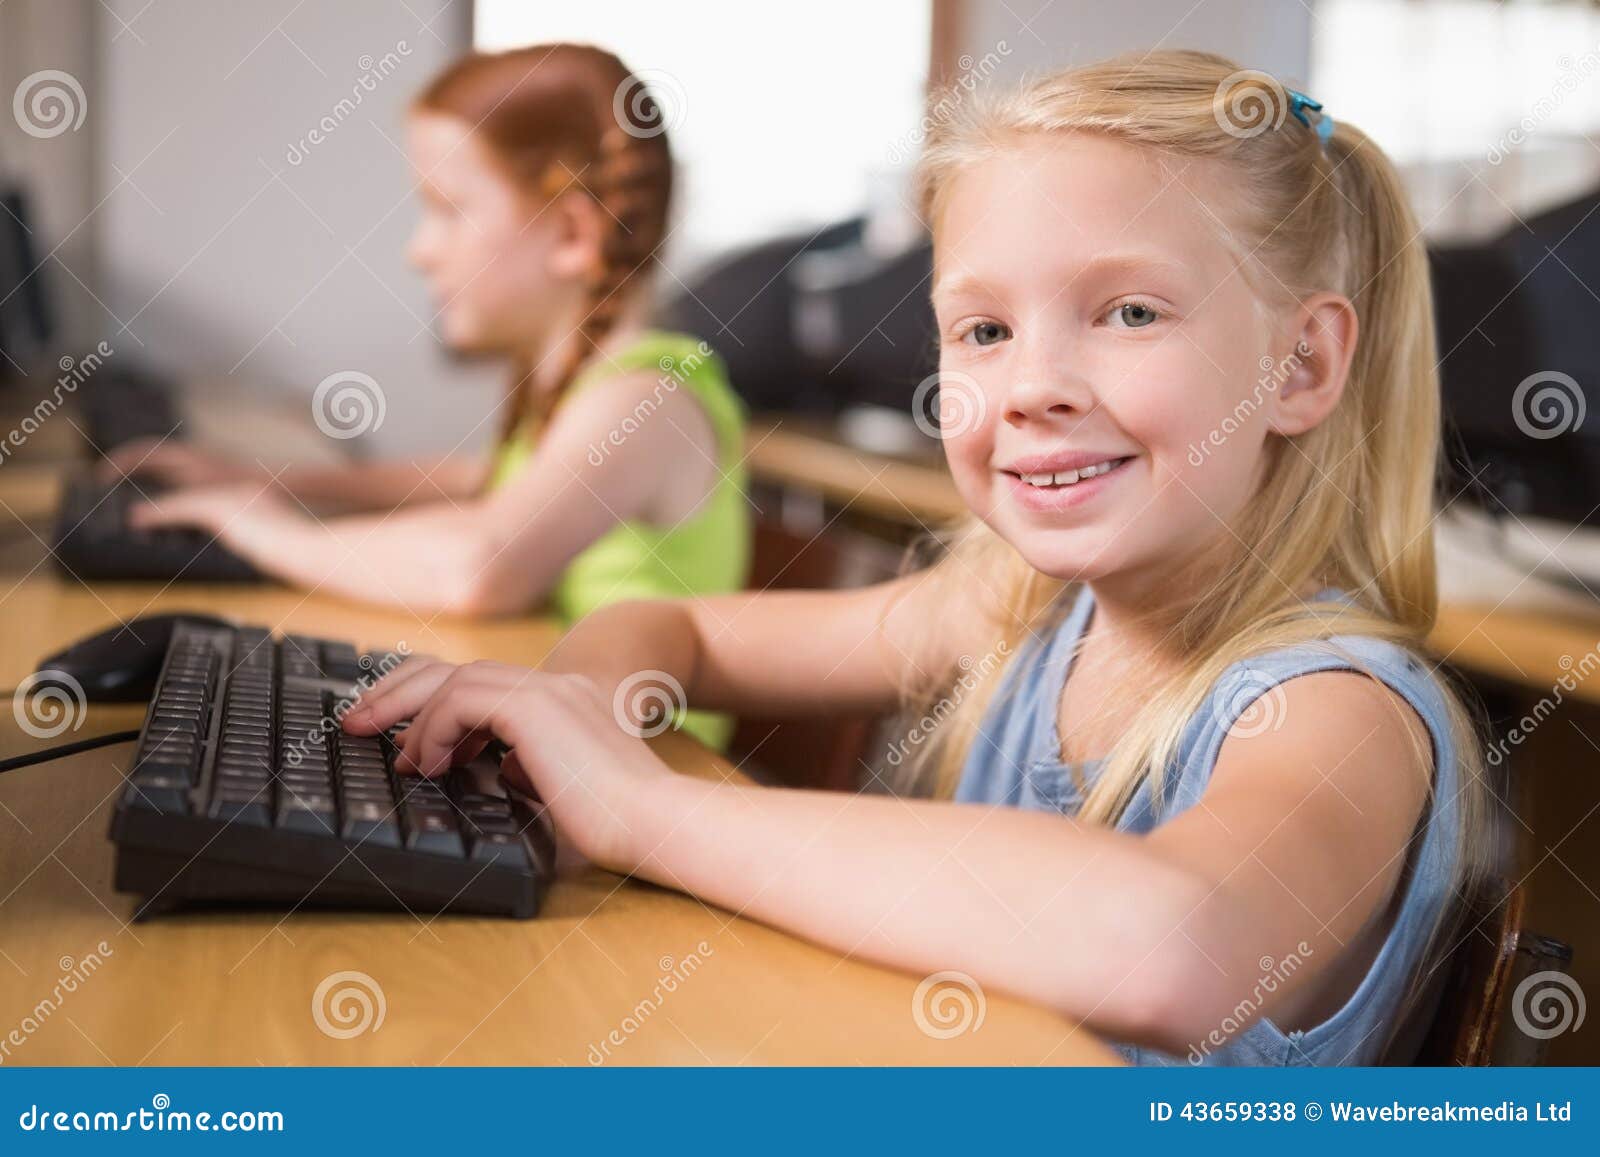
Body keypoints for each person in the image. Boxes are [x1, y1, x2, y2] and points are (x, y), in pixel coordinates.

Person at [345, 51, 1490, 1065]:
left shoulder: (1339, 712)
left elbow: (1173, 944)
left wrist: (641, 806)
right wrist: (575, 704)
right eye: (983, 330)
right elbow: (680, 632)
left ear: (1298, 365)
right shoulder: (1015, 599)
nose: (1033, 386)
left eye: (1129, 312)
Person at [107, 46, 750, 726]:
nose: (420, 249)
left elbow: (480, 563)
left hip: (641, 788)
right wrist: (273, 478)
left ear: (570, 232)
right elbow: (483, 480)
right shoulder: (586, 382)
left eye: (449, 209)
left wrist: (258, 530)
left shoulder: (647, 397)